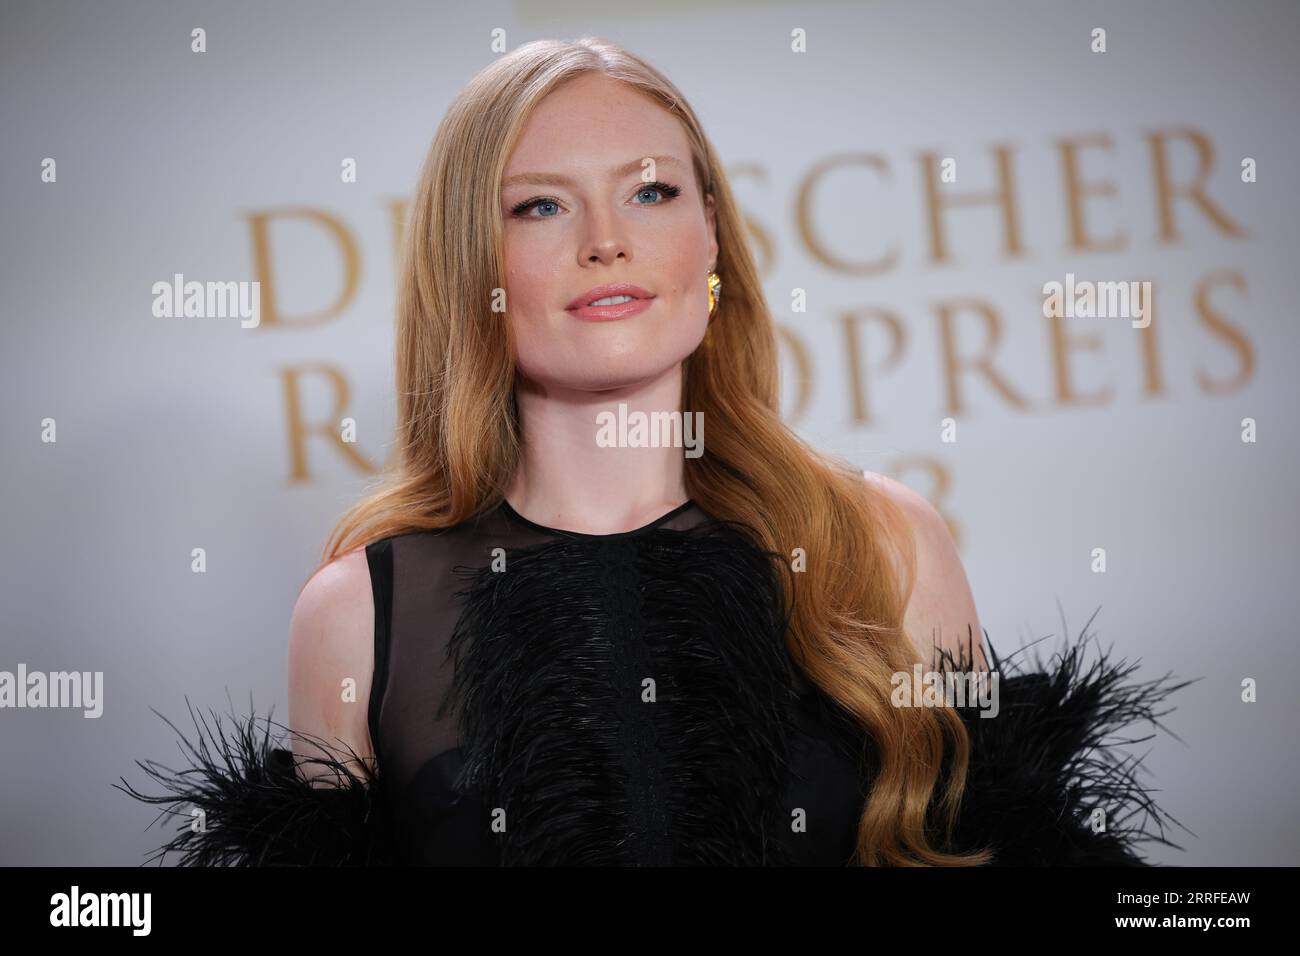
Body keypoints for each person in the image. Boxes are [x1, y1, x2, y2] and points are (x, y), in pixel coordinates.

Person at [118, 36, 1187, 867]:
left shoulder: (882, 543)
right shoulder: (355, 612)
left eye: (651, 191)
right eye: (538, 205)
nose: (606, 240)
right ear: (468, 264)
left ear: (712, 236)